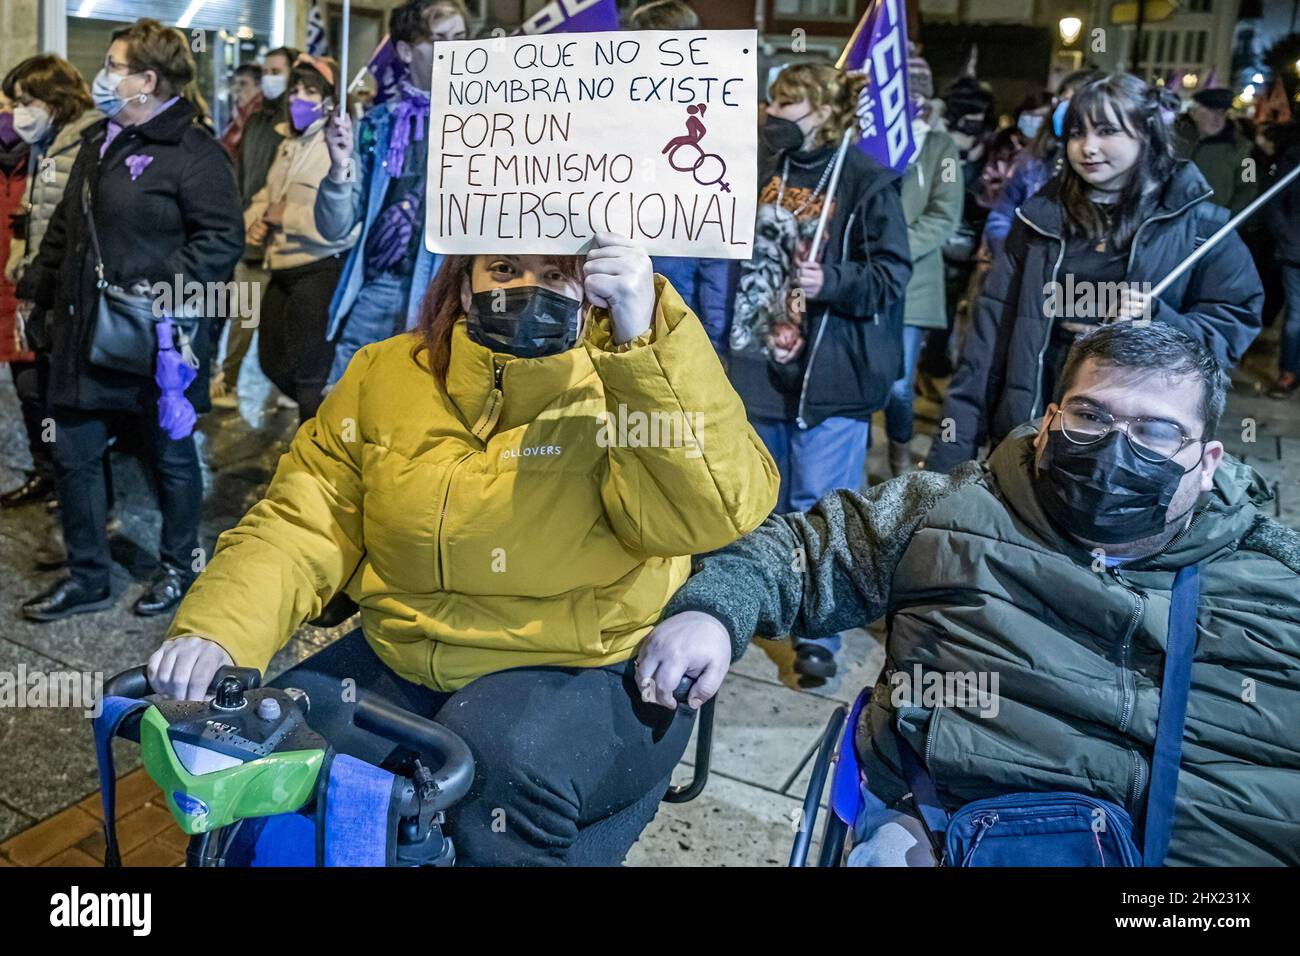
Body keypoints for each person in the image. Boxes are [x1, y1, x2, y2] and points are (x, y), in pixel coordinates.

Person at [144, 236, 780, 865]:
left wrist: (645, 344)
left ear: (591, 287)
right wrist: (220, 633)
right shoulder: (385, 373)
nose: (522, 289)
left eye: (557, 273)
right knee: (274, 750)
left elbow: (716, 512)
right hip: (407, 648)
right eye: (502, 267)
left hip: (585, 660)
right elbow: (303, 521)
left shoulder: (625, 384)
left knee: (491, 773)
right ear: (464, 277)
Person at [655, 321, 1300, 865]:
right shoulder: (952, 511)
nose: (1114, 449)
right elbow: (800, 554)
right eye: (1090, 415)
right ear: (1050, 420)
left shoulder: (1274, 580)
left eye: (1155, 432)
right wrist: (715, 610)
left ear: (1209, 459)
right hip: (960, 833)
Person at [19, 19, 244, 622]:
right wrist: (34, 293)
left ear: (148, 78)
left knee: (170, 460)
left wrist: (156, 288)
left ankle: (176, 565)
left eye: (116, 65)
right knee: (74, 455)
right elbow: (66, 230)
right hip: (83, 336)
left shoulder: (195, 153)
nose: (105, 74)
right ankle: (89, 574)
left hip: (156, 341)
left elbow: (222, 240)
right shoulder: (101, 139)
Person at [927, 73, 1261, 474]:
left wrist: (1158, 320)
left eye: (1106, 131)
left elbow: (1231, 326)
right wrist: (947, 463)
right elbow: (984, 348)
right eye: (1076, 132)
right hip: (1033, 435)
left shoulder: (1200, 226)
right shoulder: (1037, 222)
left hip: (1135, 457)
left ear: (1146, 134)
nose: (1087, 147)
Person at [729, 61, 911, 681]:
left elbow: (892, 275)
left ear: (827, 112)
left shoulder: (864, 182)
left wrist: (831, 280)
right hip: (756, 363)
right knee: (759, 500)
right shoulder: (758, 169)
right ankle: (750, 601)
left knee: (820, 506)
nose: (774, 114)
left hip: (827, 376)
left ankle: (818, 636)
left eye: (789, 105)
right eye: (772, 102)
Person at [316, 0, 469, 389]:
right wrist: (338, 169)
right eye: (438, 41)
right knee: (346, 402)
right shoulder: (375, 126)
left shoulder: (485, 122)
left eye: (460, 38)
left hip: (453, 294)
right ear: (404, 51)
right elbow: (336, 227)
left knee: (428, 415)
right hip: (381, 289)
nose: (453, 50)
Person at [3, 57, 101, 517]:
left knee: (61, 398)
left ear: (55, 99)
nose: (17, 111)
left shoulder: (85, 142)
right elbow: (36, 216)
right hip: (39, 288)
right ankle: (50, 472)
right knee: (32, 387)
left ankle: (78, 491)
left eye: (26, 100)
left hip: (68, 293)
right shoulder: (46, 144)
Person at [246, 55, 359, 422]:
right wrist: (257, 219)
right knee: (271, 361)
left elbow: (340, 223)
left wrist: (286, 218)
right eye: (295, 90)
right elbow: (266, 196)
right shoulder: (287, 144)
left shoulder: (338, 147)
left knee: (310, 375)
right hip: (281, 268)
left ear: (331, 99)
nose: (298, 98)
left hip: (319, 270)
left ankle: (314, 452)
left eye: (310, 91)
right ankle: (324, 425)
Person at [633, 0, 735, 357]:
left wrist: (715, 339)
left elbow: (717, 244)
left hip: (681, 286)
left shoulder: (720, 115)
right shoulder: (620, 113)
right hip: (630, 275)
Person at [881, 58, 962, 477]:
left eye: (916, 93)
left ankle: (898, 467)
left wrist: (888, 250)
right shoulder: (870, 140)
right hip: (862, 282)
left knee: (897, 385)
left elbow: (944, 214)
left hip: (910, 284)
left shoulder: (938, 148)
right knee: (860, 382)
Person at [212, 46, 299, 410]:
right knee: (244, 314)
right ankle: (228, 381)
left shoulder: (297, 123)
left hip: (283, 233)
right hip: (250, 230)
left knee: (281, 320)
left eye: (276, 70)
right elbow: (244, 172)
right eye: (265, 70)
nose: (269, 77)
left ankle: (284, 385)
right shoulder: (256, 119)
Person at [982, 70, 1104, 259]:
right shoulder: (1035, 161)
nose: (1066, 109)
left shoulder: (1104, 169)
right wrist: (1013, 258)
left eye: (1075, 103)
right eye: (1062, 101)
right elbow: (1001, 216)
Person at [1263, 122, 1300, 398]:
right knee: (1296, 318)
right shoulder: (1293, 159)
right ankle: (1289, 372)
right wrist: (1290, 241)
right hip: (1295, 253)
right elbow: (1274, 202)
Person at [1182, 87, 1256, 216]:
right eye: (1211, 111)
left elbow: (1249, 187)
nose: (1217, 119)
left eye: (1222, 113)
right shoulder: (1175, 139)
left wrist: (1228, 218)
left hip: (1212, 223)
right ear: (1194, 113)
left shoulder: (1243, 148)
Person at [218, 62, 262, 158]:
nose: (236, 89)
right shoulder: (236, 118)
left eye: (243, 83)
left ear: (259, 86)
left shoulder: (263, 119)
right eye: (234, 83)